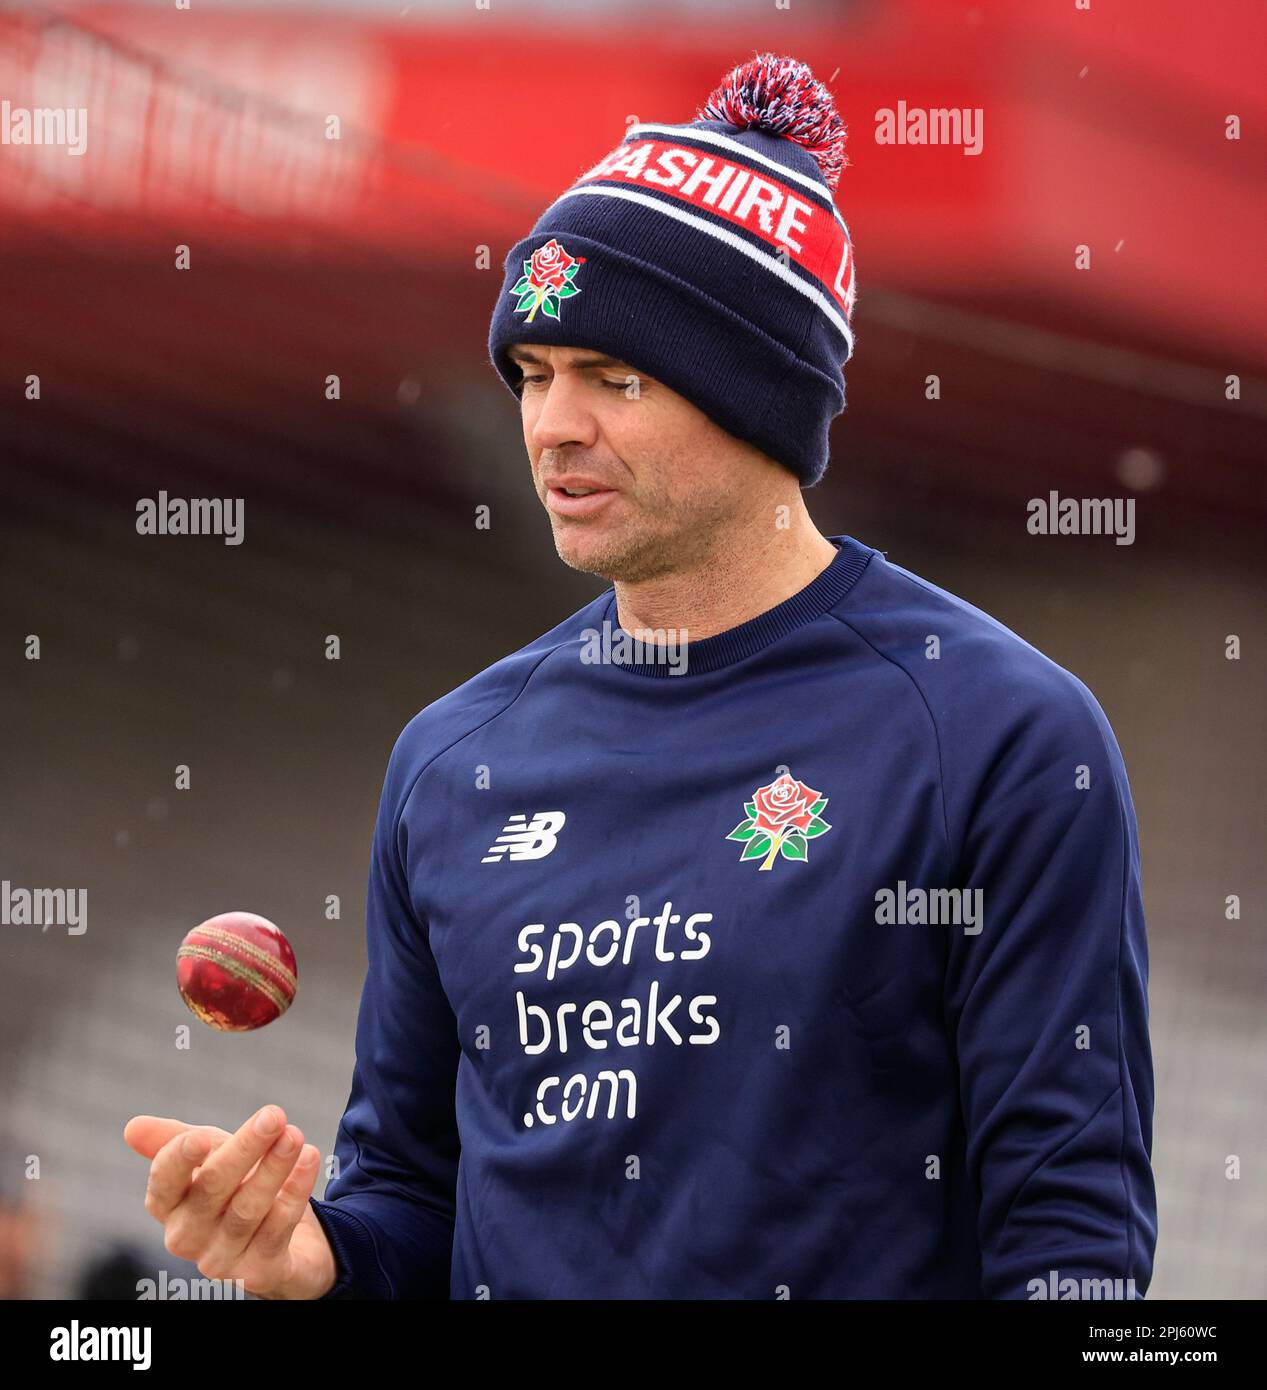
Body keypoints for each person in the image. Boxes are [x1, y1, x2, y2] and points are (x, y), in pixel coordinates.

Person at [125, 53, 1157, 1300]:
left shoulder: (1000, 732)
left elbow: (1070, 1240)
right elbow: (407, 1198)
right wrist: (312, 1257)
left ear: (758, 402)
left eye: (617, 379)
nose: (555, 426)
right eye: (534, 373)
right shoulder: (452, 761)